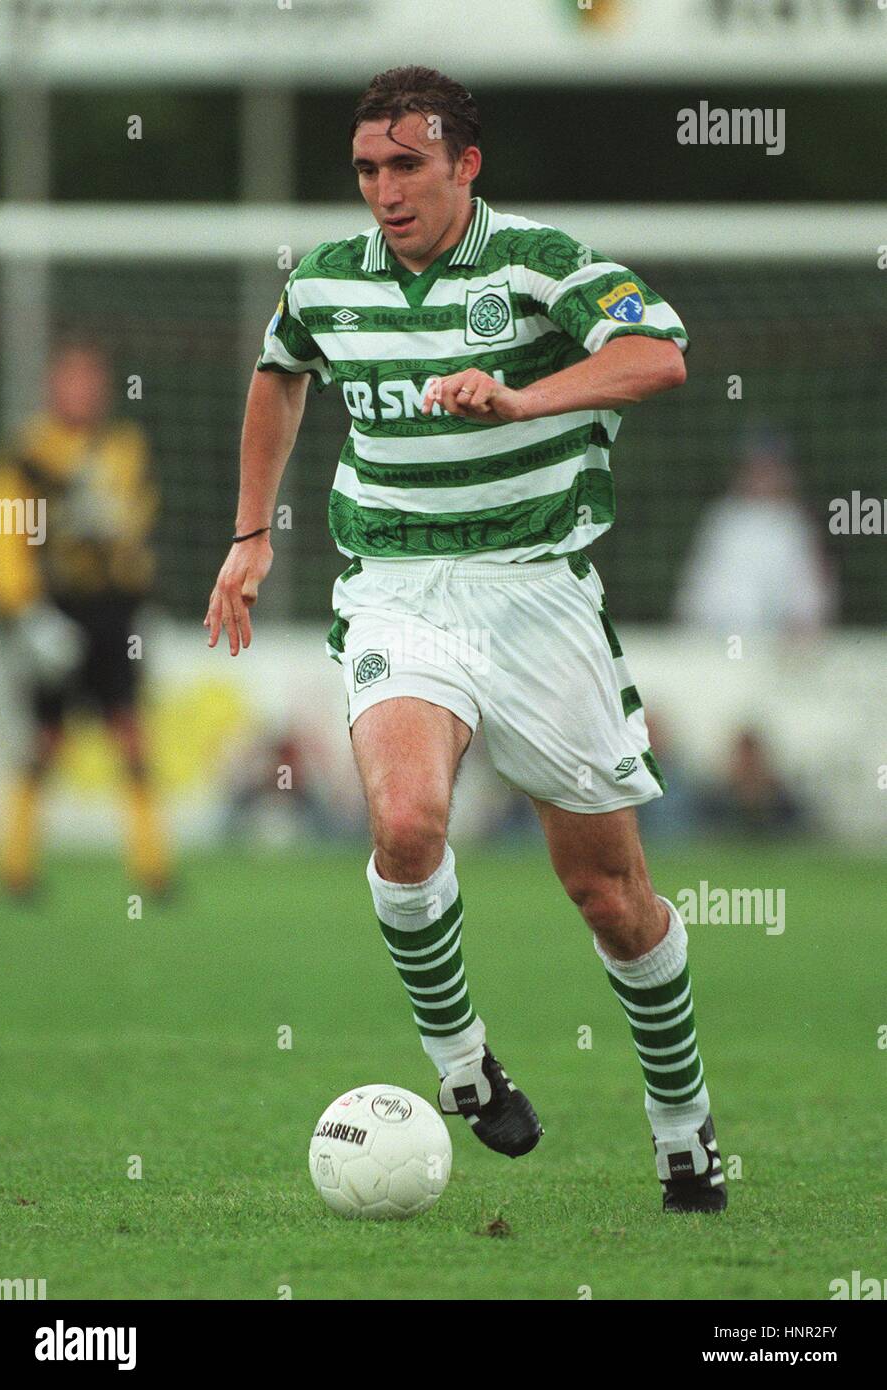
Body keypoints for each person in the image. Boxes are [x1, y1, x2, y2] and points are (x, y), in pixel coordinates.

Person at [206, 67, 725, 1212]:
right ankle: (460, 1063)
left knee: (610, 896)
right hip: (396, 588)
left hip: (535, 593)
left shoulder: (538, 262)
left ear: (464, 164)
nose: (384, 191)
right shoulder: (326, 280)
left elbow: (657, 356)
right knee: (403, 822)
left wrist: (521, 396)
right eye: (366, 170)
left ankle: (681, 1124)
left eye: (406, 166)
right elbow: (279, 373)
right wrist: (249, 534)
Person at [0, 342, 171, 897]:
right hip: (57, 614)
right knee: (44, 741)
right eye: (72, 380)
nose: (83, 392)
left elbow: (142, 523)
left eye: (91, 381)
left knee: (131, 737)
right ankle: (16, 868)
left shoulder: (125, 447)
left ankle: (153, 870)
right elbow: (4, 534)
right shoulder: (27, 454)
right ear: (53, 387)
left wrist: (131, 563)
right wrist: (25, 613)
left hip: (114, 615)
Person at [675, 432, 834, 635]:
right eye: (755, 467)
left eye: (770, 467)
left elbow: (809, 595)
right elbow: (698, 590)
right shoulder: (722, 519)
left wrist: (804, 625)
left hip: (774, 645)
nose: (762, 475)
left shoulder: (796, 525)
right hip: (716, 639)